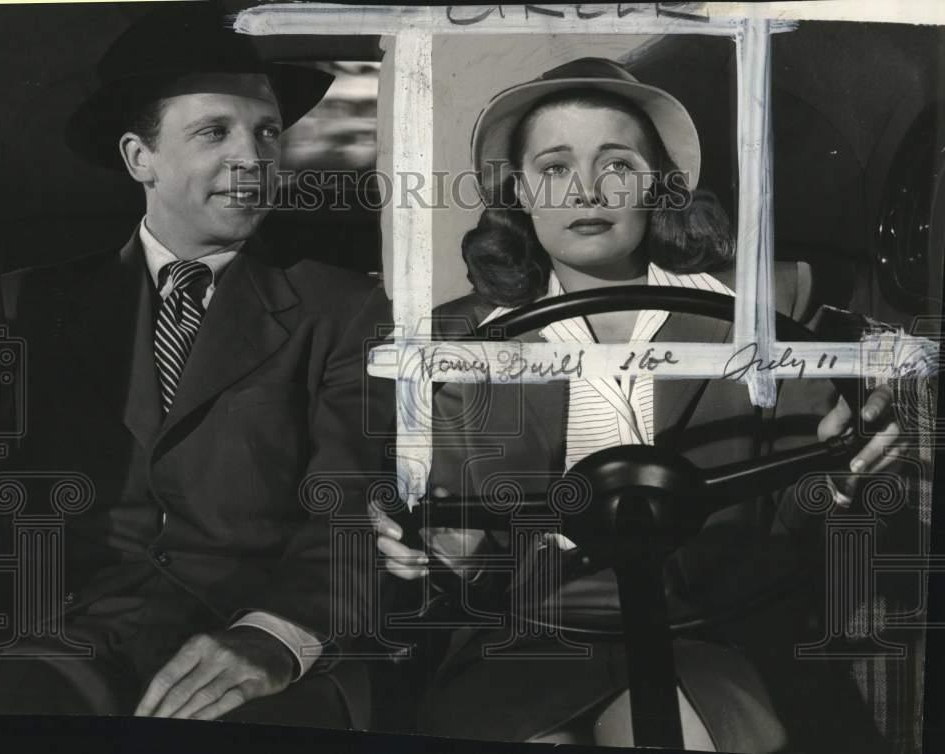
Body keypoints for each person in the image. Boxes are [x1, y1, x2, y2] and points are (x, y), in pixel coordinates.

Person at [371, 58, 903, 751]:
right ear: (521, 194)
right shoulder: (460, 345)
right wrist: (445, 551)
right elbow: (465, 546)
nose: (587, 189)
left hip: (712, 631)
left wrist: (847, 474)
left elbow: (797, 512)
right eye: (555, 168)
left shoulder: (760, 318)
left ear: (659, 189)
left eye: (617, 164)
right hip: (531, 638)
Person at [0, 4, 393, 728]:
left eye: (267, 133)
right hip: (63, 642)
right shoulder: (22, 305)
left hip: (256, 640)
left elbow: (351, 512)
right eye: (214, 132)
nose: (252, 158)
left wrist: (276, 635)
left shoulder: (343, 308)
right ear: (140, 158)